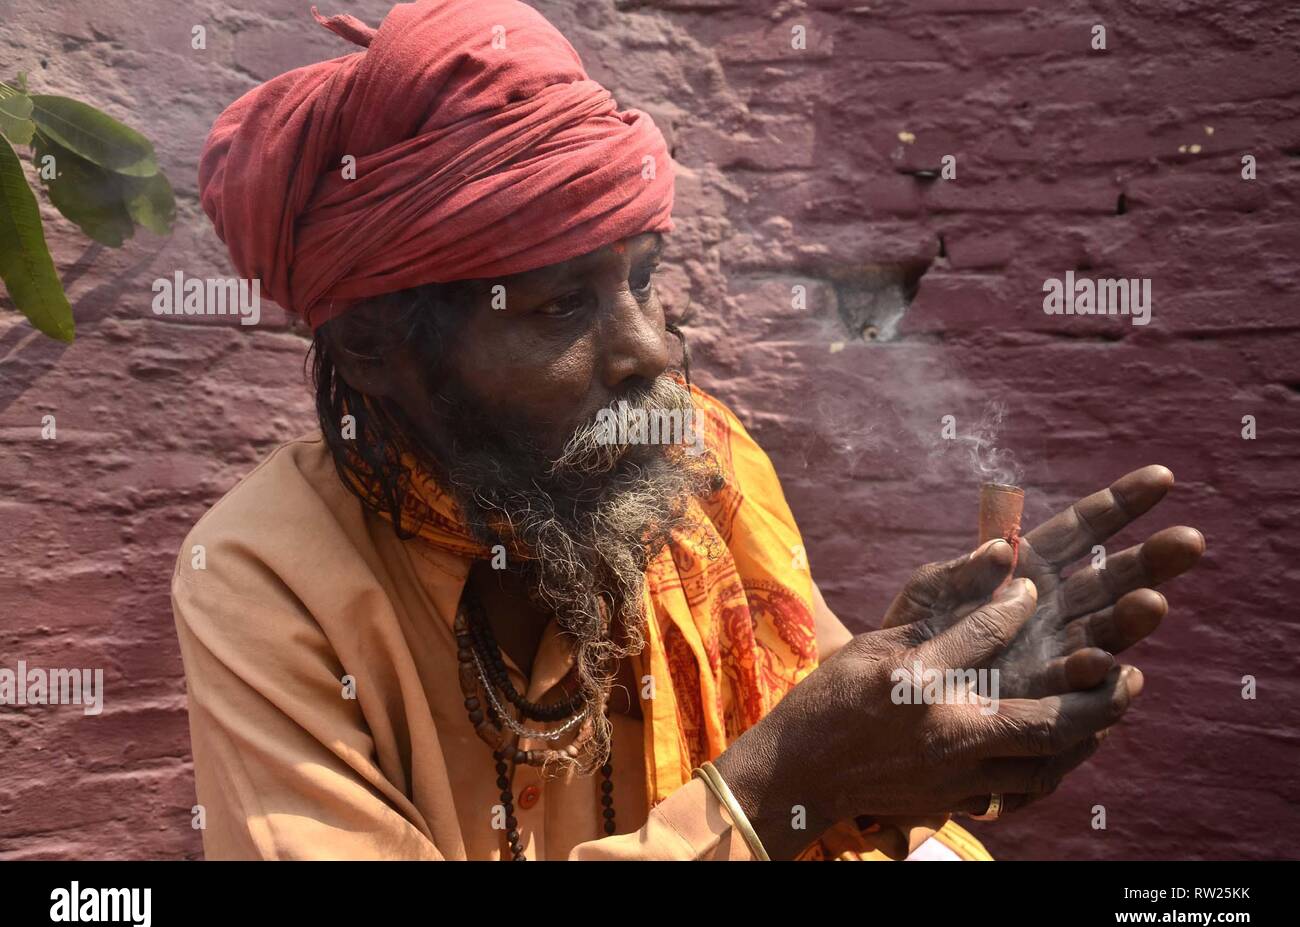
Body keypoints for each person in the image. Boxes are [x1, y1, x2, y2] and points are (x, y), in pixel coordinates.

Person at [175, 0, 1204, 860]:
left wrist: (946, 727)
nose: (654, 355)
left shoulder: (690, 462)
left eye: (642, 282)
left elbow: (842, 761)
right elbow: (799, 767)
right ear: (374, 353)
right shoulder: (263, 576)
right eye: (559, 309)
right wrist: (771, 782)